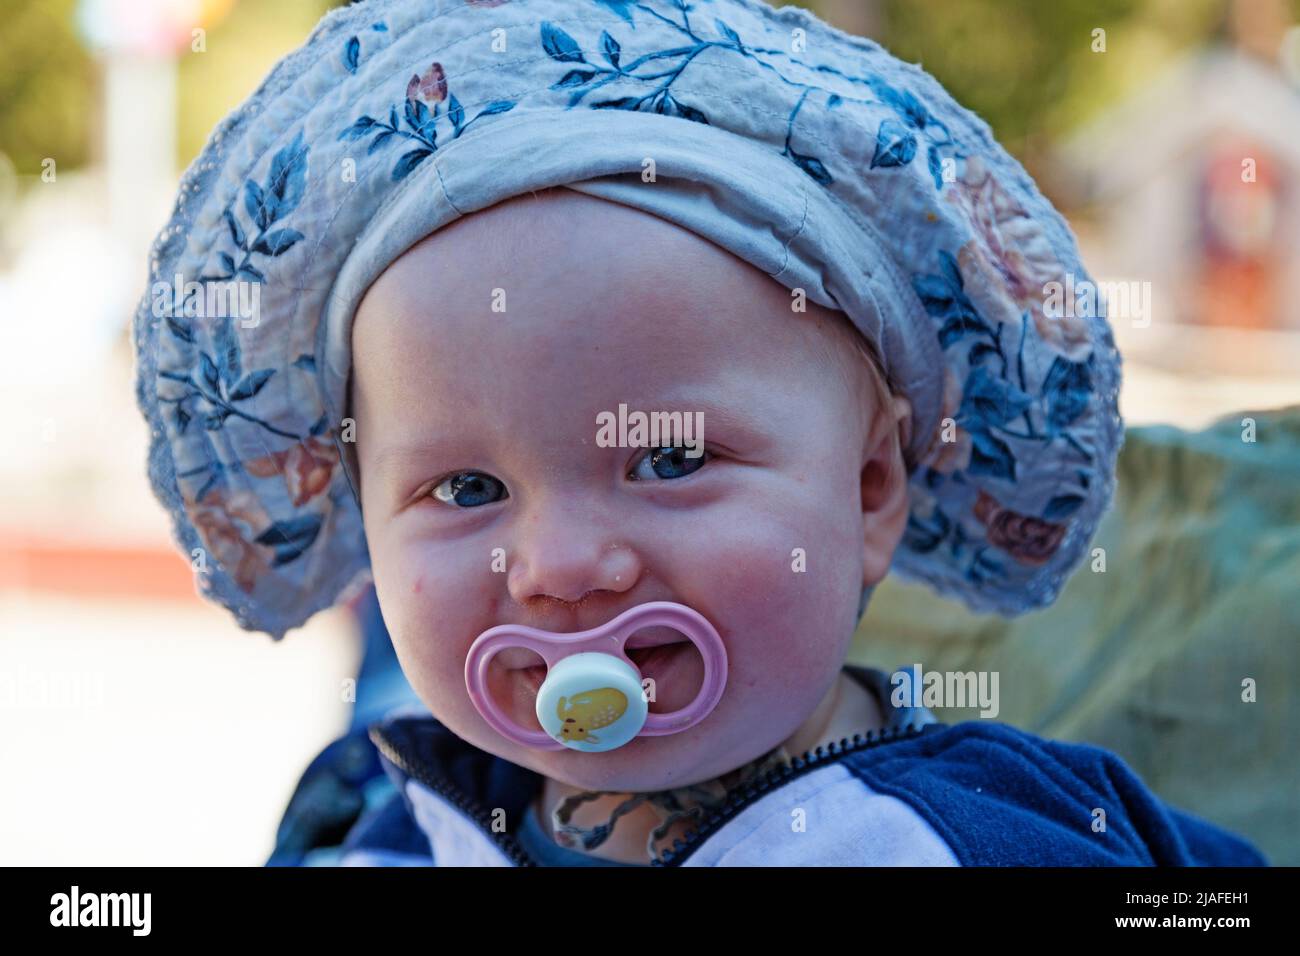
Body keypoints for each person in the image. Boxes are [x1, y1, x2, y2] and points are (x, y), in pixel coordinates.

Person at [133, 0, 1267, 867]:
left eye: (669, 459)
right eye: (467, 487)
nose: (564, 566)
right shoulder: (381, 824)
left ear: (872, 486)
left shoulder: (992, 838)